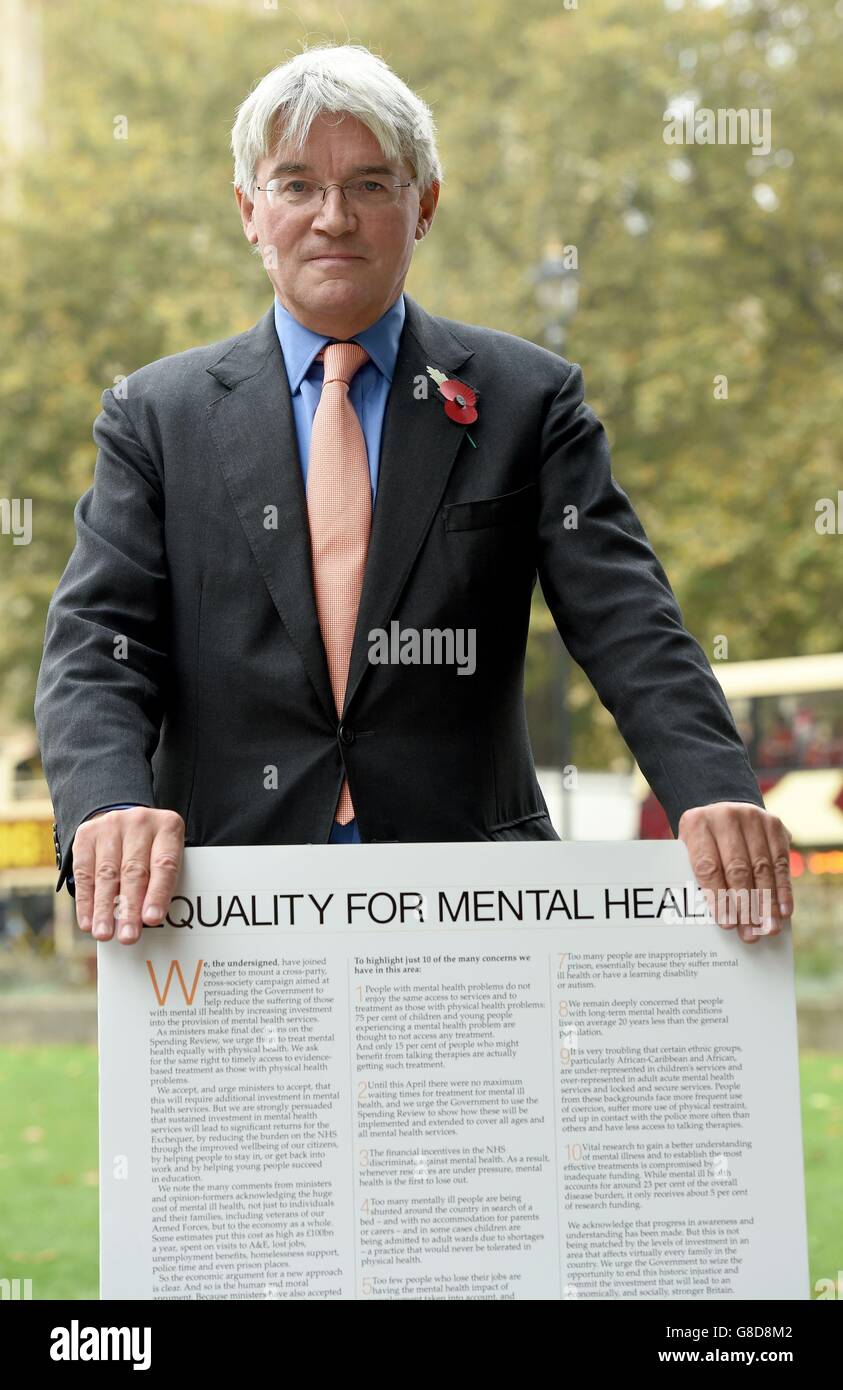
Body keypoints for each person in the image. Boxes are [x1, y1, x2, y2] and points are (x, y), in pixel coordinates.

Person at [33, 43, 793, 950]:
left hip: (471, 895)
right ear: (248, 211)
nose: (333, 218)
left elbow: (629, 623)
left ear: (423, 203)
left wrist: (710, 785)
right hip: (219, 901)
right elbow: (96, 650)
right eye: (294, 187)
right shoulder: (154, 417)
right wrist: (109, 803)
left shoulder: (526, 400)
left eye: (369, 184)